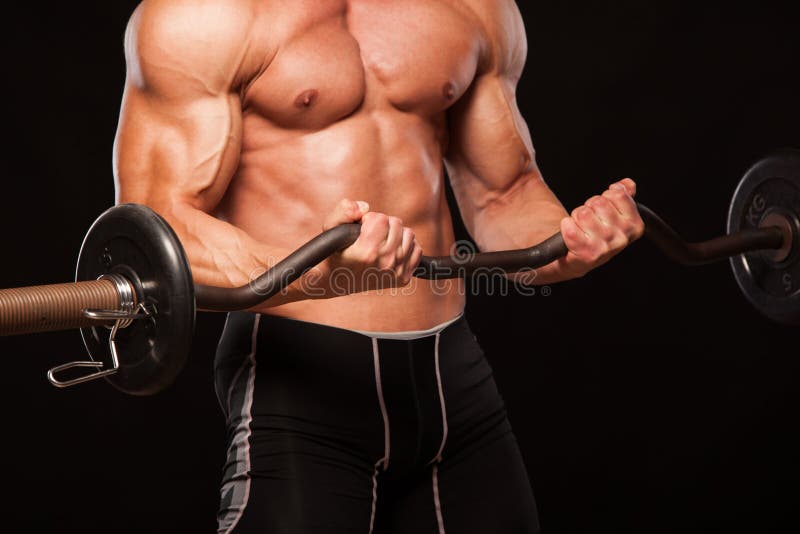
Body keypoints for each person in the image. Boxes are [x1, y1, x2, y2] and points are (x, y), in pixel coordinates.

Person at [114, 0, 644, 532]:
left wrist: (569, 245)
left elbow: (504, 195)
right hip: (299, 384)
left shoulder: (475, 7)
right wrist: (318, 271)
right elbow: (159, 231)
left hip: (451, 379)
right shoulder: (201, 17)